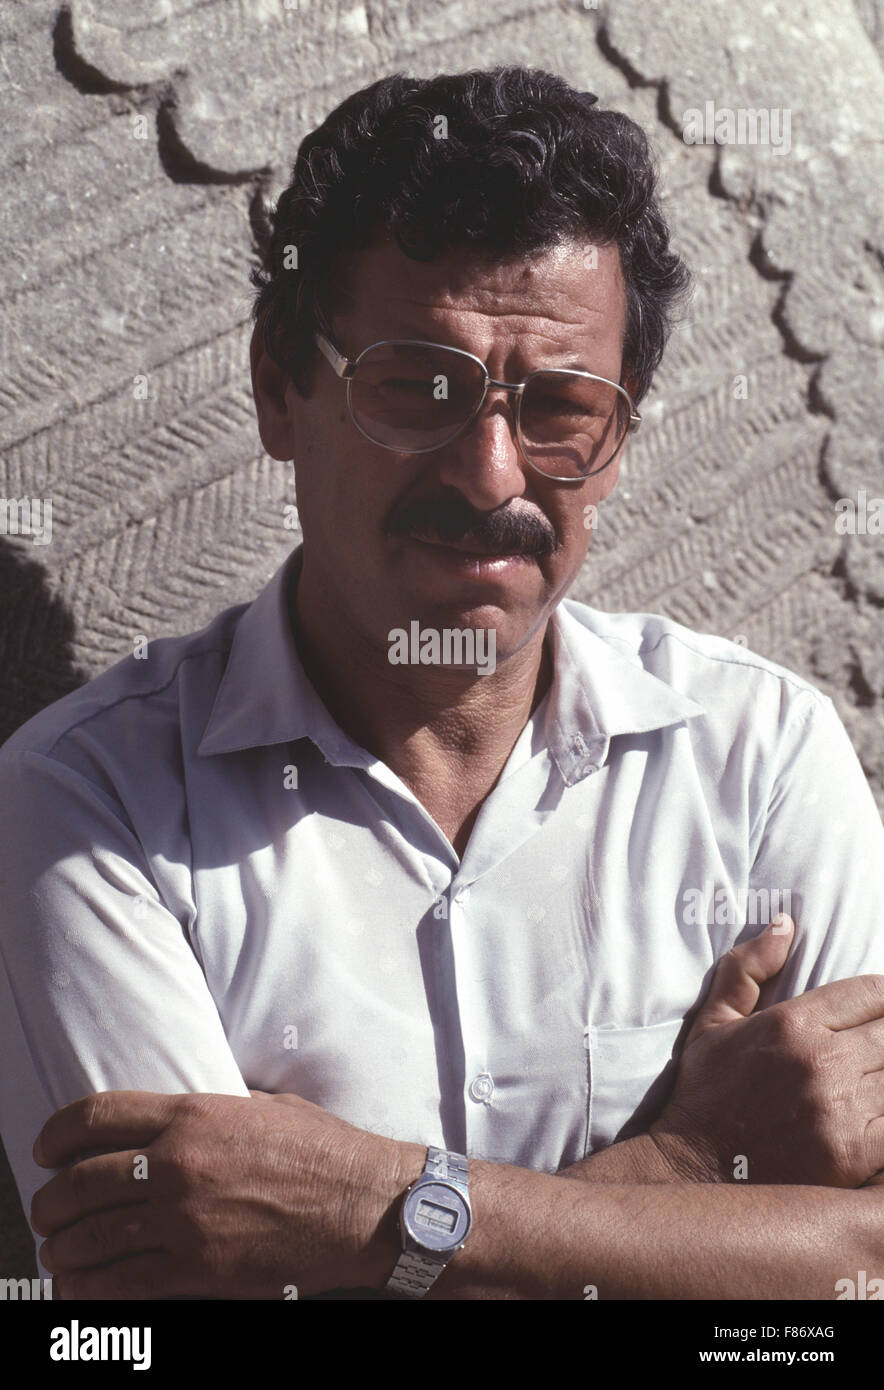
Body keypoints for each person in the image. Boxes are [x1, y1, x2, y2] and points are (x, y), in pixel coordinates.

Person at [1, 65, 882, 1302]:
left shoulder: (761, 762)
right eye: (417, 386)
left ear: (617, 438)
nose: (487, 472)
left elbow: (858, 1282)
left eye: (561, 406)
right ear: (277, 387)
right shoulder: (89, 806)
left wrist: (365, 1210)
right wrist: (698, 1167)